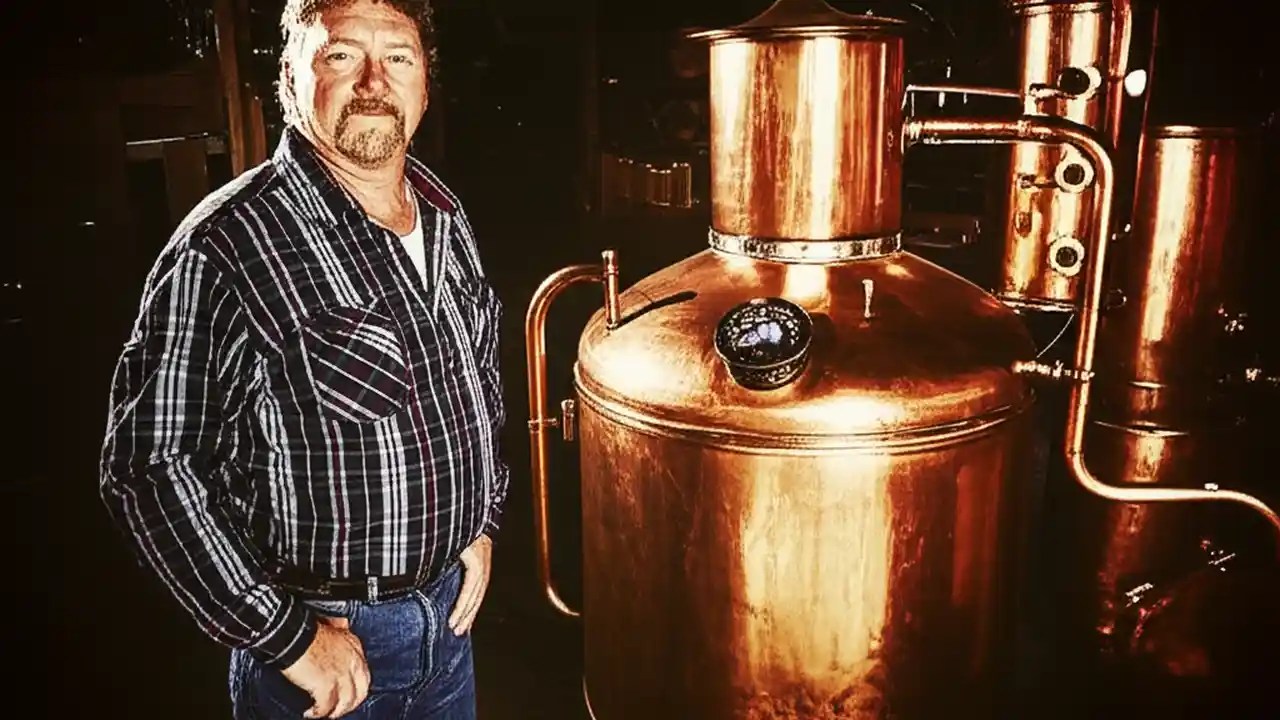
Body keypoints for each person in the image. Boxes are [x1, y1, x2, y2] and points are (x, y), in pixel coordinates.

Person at [98, 1, 508, 717]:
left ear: (424, 83)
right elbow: (149, 467)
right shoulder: (228, 243)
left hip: (450, 630)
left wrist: (482, 517)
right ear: (290, 78)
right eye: (342, 55)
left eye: (399, 57)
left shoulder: (444, 214)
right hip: (326, 651)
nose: (375, 81)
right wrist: (286, 638)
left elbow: (478, 377)